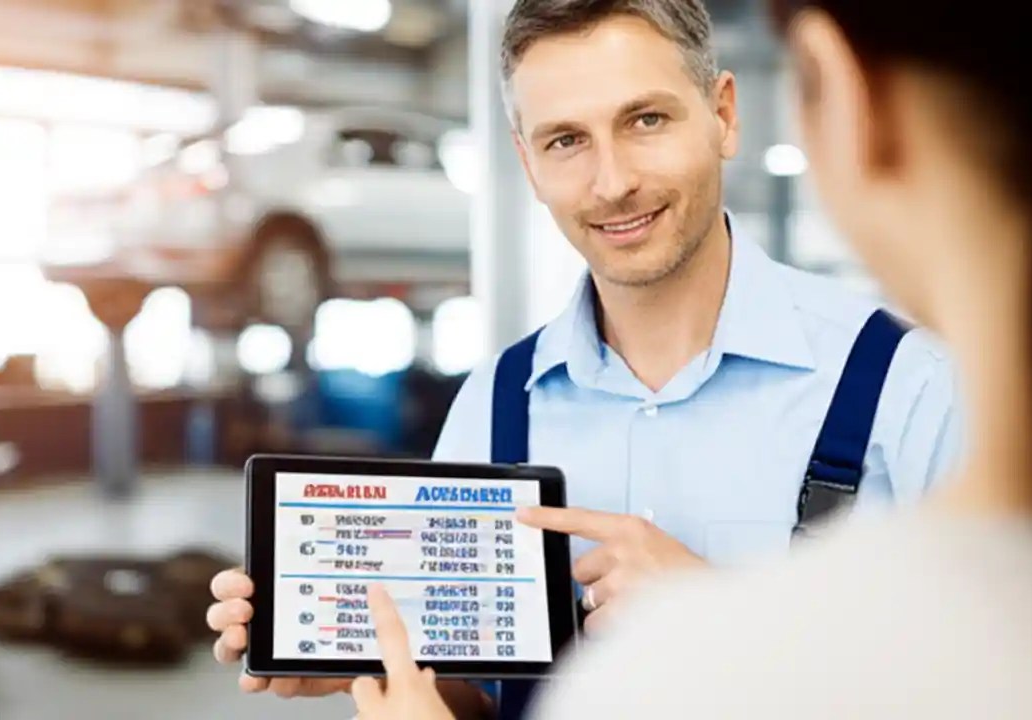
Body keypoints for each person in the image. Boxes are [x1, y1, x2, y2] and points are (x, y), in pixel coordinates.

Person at [208, 1, 963, 717]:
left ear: (724, 114)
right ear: (528, 161)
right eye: (566, 140)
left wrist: (724, 625)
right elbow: (479, 692)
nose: (612, 182)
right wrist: (383, 668)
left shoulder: (911, 390)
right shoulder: (493, 406)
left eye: (646, 119)